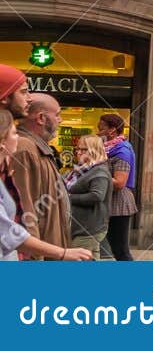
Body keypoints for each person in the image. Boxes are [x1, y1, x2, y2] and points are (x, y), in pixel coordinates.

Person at [0, 109, 93, 261]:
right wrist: (61, 253)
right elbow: (13, 231)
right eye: (14, 133)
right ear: (2, 141)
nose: (18, 137)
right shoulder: (26, 149)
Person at [10, 93, 70, 253]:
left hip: (49, 250)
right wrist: (35, 255)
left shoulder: (38, 149)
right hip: (40, 254)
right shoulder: (25, 148)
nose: (60, 120)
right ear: (41, 118)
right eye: (57, 115)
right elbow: (24, 208)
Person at [98, 113, 137, 260]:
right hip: (110, 202)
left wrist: (96, 177)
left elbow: (120, 182)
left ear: (112, 130)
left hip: (119, 204)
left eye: (101, 128)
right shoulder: (107, 149)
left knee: (120, 249)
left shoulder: (122, 150)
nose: (98, 131)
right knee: (115, 248)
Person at [65, 133, 111, 256]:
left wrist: (68, 198)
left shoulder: (99, 171)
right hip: (81, 228)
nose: (78, 152)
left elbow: (96, 196)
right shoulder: (82, 170)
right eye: (77, 149)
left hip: (88, 229)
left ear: (94, 150)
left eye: (83, 149)